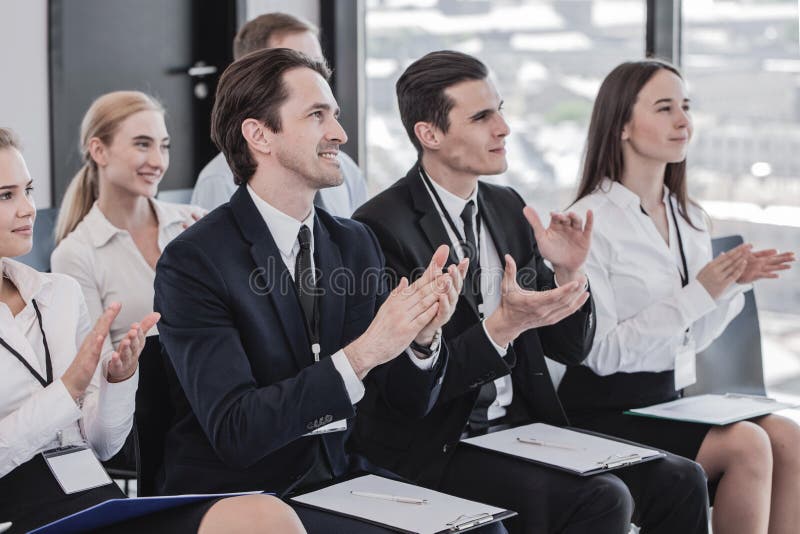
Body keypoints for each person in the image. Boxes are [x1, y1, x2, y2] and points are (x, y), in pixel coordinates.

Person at [352, 50, 710, 534]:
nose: (504, 128)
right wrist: (500, 329)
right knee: (602, 499)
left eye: (500, 109)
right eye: (482, 116)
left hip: (521, 429)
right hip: (439, 440)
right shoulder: (379, 226)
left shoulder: (506, 206)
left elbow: (570, 348)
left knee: (682, 478)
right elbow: (405, 391)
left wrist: (566, 274)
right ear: (429, 134)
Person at [153, 48, 502, 534]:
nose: (339, 133)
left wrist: (421, 339)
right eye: (317, 115)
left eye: (334, 115)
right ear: (259, 135)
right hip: (244, 492)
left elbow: (406, 403)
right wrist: (363, 353)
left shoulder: (353, 241)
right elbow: (237, 430)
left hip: (339, 476)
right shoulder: (193, 261)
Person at [0, 128, 305, 533]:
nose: (28, 208)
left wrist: (118, 379)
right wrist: (69, 389)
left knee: (267, 516)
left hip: (97, 498)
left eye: (29, 190)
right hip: (19, 512)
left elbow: (104, 444)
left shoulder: (58, 294)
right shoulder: (75, 260)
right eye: (6, 195)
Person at [557, 60, 799, 534]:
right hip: (603, 409)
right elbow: (601, 353)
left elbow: (689, 339)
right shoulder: (587, 223)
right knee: (748, 444)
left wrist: (730, 288)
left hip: (667, 399)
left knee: (788, 436)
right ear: (622, 125)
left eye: (686, 107)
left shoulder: (687, 215)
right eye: (665, 108)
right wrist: (700, 292)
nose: (684, 121)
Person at [51, 91, 204, 363]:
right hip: (142, 401)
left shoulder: (194, 223)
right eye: (143, 145)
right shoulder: (75, 255)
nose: (159, 162)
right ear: (99, 150)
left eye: (164, 146)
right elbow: (98, 373)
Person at [191, 12, 367, 216]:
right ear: (252, 73)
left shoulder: (345, 170)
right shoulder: (219, 181)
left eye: (317, 63)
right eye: (292, 61)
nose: (312, 73)